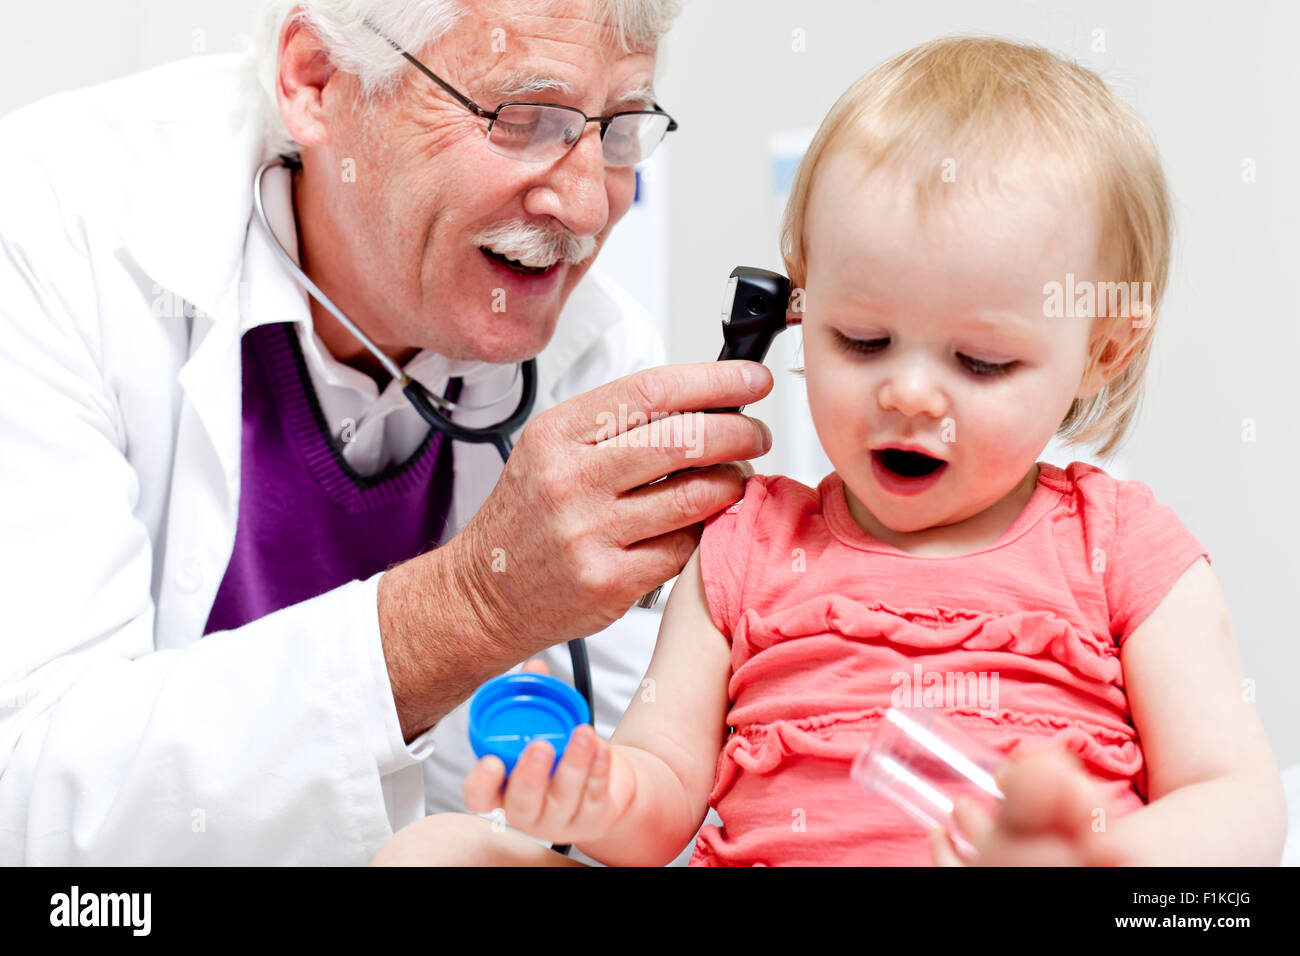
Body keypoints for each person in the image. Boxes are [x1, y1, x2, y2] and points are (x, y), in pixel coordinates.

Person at [373, 36, 1287, 866]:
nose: (908, 392)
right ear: (801, 310)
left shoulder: (1119, 547)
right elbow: (662, 797)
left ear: (1103, 352)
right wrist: (595, 792)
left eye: (981, 360)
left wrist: (1107, 861)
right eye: (861, 340)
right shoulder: (747, 544)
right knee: (438, 854)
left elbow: (1239, 801)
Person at [0, 0, 777, 864]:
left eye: (621, 128)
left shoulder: (594, 349)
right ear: (318, 81)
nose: (590, 207)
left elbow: (629, 811)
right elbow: (29, 794)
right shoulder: (50, 230)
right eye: (521, 118)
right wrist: (475, 604)